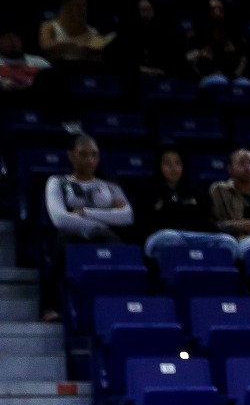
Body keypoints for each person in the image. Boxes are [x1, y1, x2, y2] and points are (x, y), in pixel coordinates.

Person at [41, 133, 131, 316]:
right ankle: (51, 306)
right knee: (60, 245)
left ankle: (124, 305)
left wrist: (86, 212)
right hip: (70, 236)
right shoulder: (58, 182)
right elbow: (60, 218)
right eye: (83, 154)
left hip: (104, 237)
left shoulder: (110, 186)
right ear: (71, 155)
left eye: (94, 154)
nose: (89, 160)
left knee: (124, 250)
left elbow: (127, 216)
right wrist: (107, 216)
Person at [139, 146, 235, 259]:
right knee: (170, 239)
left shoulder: (196, 190)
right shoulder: (147, 190)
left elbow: (203, 216)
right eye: (167, 163)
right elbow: (149, 221)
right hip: (163, 235)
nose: (173, 168)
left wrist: (168, 209)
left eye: (177, 163)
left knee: (228, 242)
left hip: (196, 235)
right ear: (159, 166)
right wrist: (185, 210)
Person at [185, 0, 249, 86]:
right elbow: (188, 56)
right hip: (207, 75)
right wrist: (201, 53)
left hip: (231, 76)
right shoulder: (197, 35)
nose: (217, 11)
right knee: (219, 81)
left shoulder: (234, 35)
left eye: (220, 8)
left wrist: (234, 54)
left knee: (244, 83)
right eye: (213, 9)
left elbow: (243, 58)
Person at [38, 0, 112, 62]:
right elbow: (46, 46)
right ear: (66, 7)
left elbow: (97, 58)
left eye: (84, 5)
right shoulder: (49, 26)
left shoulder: (92, 31)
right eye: (77, 5)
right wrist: (80, 40)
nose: (82, 9)